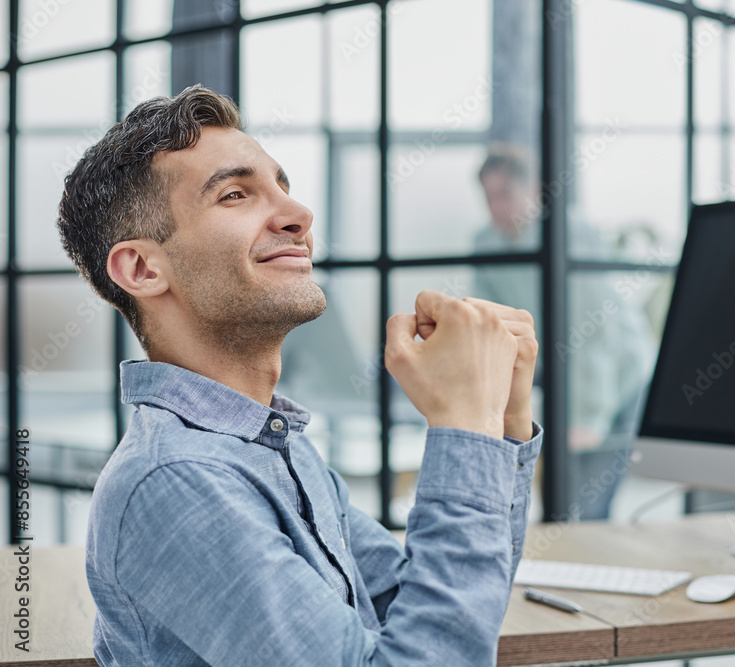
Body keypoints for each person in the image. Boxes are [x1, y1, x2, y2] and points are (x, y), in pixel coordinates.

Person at [58, 85, 542, 666]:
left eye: (282, 186)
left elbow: (426, 609)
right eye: (235, 195)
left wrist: (502, 421)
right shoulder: (174, 479)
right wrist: (461, 422)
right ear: (141, 267)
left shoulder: (273, 447)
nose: (299, 215)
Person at [472, 144, 652, 520]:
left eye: (505, 194)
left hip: (617, 378)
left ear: (534, 190)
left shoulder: (572, 233)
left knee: (586, 505)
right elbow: (488, 326)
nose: (497, 208)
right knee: (556, 501)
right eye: (489, 197)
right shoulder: (486, 243)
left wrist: (588, 417)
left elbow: (595, 332)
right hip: (560, 378)